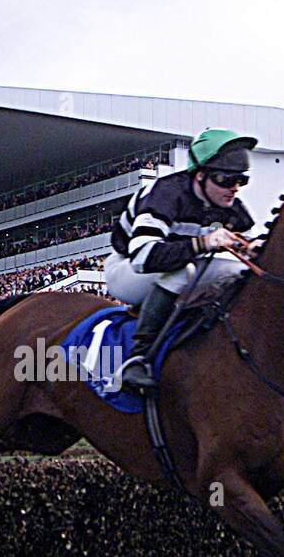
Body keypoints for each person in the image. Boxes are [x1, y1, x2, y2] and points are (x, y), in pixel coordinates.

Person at [105, 128, 258, 392]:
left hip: (175, 267)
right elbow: (144, 257)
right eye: (225, 179)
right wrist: (203, 243)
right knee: (181, 271)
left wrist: (254, 248)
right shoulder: (166, 194)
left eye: (240, 181)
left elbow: (250, 247)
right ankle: (137, 359)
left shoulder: (232, 208)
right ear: (200, 176)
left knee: (243, 272)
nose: (234, 189)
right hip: (127, 269)